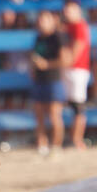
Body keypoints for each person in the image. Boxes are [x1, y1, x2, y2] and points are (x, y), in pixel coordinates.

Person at [30, 8, 70, 156]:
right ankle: (42, 145)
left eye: (45, 19)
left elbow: (65, 59)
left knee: (54, 115)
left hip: (54, 80)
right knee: (39, 115)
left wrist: (46, 64)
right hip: (39, 81)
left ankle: (56, 146)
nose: (42, 23)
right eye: (40, 20)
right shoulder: (38, 38)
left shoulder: (58, 37)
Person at [61, 0, 90, 149]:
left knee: (78, 106)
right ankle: (71, 138)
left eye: (71, 9)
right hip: (68, 69)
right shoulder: (68, 27)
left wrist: (64, 62)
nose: (67, 12)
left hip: (77, 70)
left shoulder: (79, 26)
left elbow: (77, 49)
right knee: (71, 105)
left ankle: (77, 140)